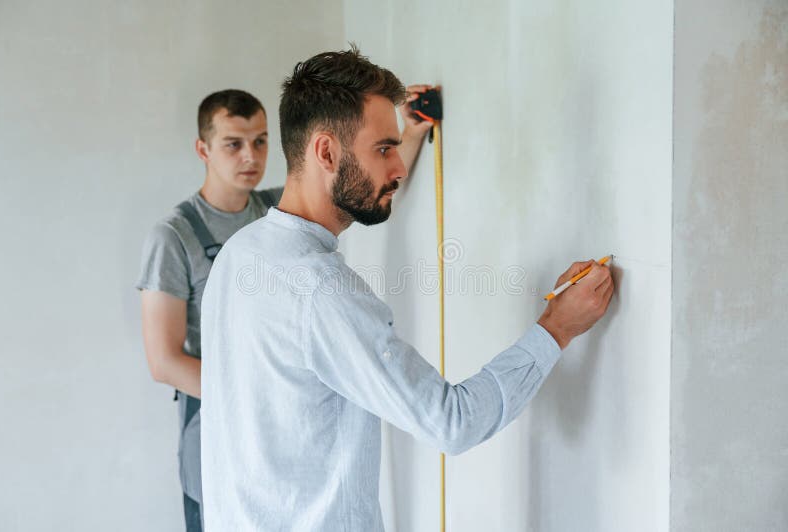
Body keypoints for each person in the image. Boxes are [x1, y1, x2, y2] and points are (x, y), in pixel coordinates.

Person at [200, 48, 614, 531]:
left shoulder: (240, 254)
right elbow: (453, 422)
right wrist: (556, 328)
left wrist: (409, 135)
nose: (397, 167)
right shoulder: (320, 291)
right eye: (383, 149)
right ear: (326, 152)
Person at [136, 89, 282, 531]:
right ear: (203, 149)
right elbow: (164, 362)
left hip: (279, 421)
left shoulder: (279, 214)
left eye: (260, 141)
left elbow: (352, 191)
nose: (251, 156)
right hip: (216, 421)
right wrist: (248, 399)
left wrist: (410, 134)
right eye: (233, 144)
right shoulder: (173, 236)